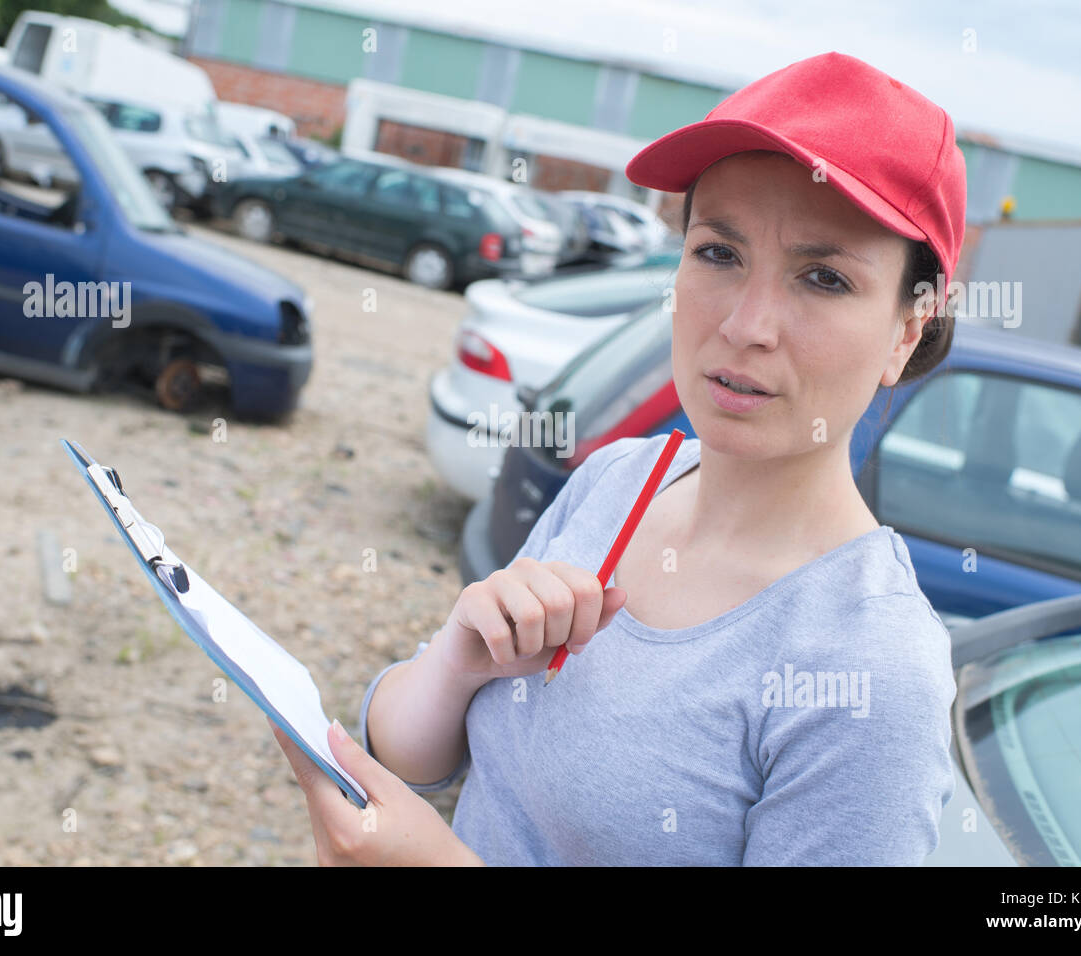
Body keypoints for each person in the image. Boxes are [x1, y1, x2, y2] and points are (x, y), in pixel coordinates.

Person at [271, 50, 967, 866]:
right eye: (718, 252)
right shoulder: (621, 480)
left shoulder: (869, 672)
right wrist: (457, 662)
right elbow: (407, 752)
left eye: (823, 277)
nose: (748, 324)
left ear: (906, 330)